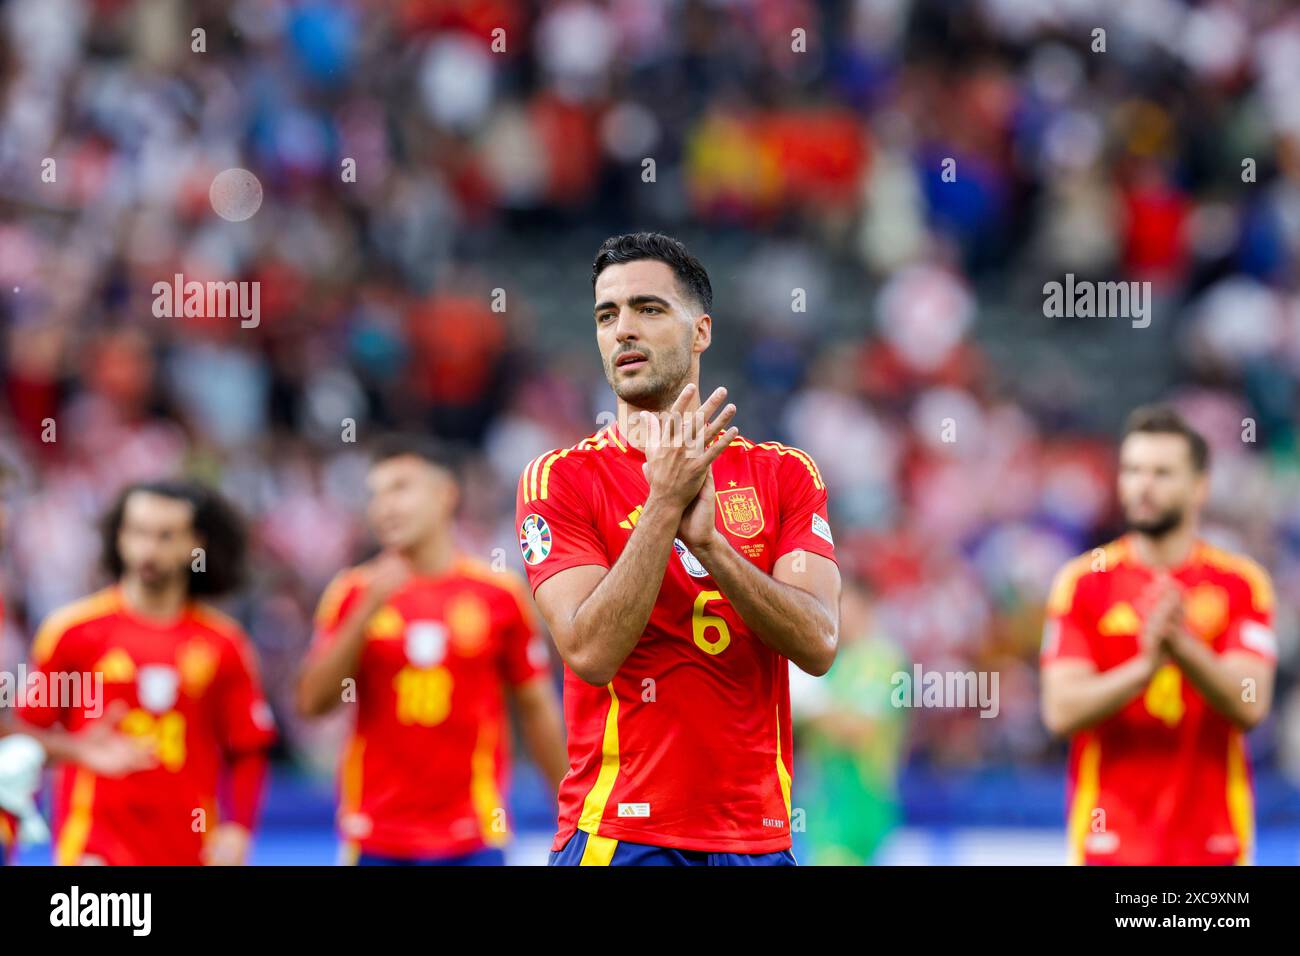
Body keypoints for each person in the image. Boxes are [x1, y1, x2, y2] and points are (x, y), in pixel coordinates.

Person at [516, 231, 841, 866]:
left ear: (701, 333)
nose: (623, 330)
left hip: (757, 839)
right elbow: (589, 652)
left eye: (649, 308)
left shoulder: (785, 474)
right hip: (620, 835)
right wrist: (664, 505)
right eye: (607, 315)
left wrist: (714, 548)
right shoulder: (560, 479)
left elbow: (819, 643)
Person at [298, 435, 567, 865]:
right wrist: (366, 611)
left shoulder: (499, 595)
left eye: (400, 487)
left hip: (475, 833)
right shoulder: (351, 592)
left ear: (446, 495)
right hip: (374, 836)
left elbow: (536, 708)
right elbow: (312, 702)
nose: (384, 506)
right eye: (375, 494)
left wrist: (568, 812)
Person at [1040, 405, 1277, 865]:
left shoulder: (1242, 584)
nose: (1142, 485)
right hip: (1107, 847)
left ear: (1199, 487)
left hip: (1215, 846)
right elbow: (1061, 710)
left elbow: (1250, 703)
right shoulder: (1084, 582)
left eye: (1162, 473)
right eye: (1132, 470)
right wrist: (1145, 667)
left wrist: (1182, 648)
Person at [14, 479, 276, 865]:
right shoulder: (73, 632)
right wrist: (76, 751)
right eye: (137, 532)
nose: (148, 550)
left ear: (195, 545)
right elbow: (23, 738)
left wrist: (239, 830)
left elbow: (248, 749)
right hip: (94, 849)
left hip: (189, 851)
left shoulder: (224, 644)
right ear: (119, 537)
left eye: (165, 536)